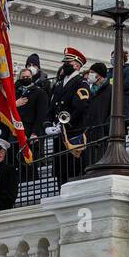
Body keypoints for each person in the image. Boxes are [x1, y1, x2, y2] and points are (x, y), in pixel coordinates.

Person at [47, 47, 90, 185]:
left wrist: (66, 122)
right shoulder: (59, 84)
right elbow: (52, 106)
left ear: (77, 65)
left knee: (73, 166)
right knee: (61, 168)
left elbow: (81, 106)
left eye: (68, 62)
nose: (65, 65)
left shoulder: (80, 82)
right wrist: (48, 124)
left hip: (73, 131)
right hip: (60, 133)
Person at [82, 61, 112, 167]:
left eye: (92, 72)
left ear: (98, 75)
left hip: (102, 132)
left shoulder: (110, 90)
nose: (90, 74)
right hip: (89, 131)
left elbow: (112, 111)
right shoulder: (88, 90)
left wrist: (106, 127)